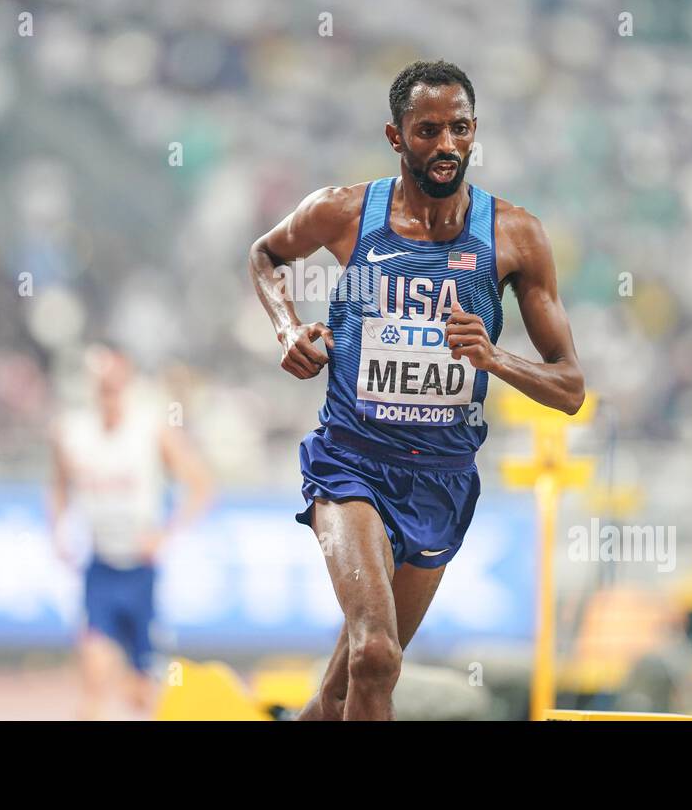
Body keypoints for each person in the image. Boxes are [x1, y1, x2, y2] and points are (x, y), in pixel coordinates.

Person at [248, 59, 585, 720]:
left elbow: (570, 386)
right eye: (427, 130)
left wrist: (493, 358)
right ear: (396, 137)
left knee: (346, 689)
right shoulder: (344, 212)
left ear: (475, 132)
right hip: (351, 463)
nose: (445, 145)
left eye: (459, 128)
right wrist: (288, 329)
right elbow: (265, 255)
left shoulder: (515, 236)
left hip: (441, 478)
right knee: (377, 654)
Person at [49, 346, 213, 720]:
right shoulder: (72, 432)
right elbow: (58, 485)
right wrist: (58, 528)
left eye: (114, 384)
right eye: (101, 385)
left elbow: (201, 484)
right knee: (93, 677)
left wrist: (167, 534)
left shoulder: (151, 428)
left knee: (141, 696)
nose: (108, 393)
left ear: (127, 382)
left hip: (141, 573)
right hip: (100, 569)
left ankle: (137, 681)